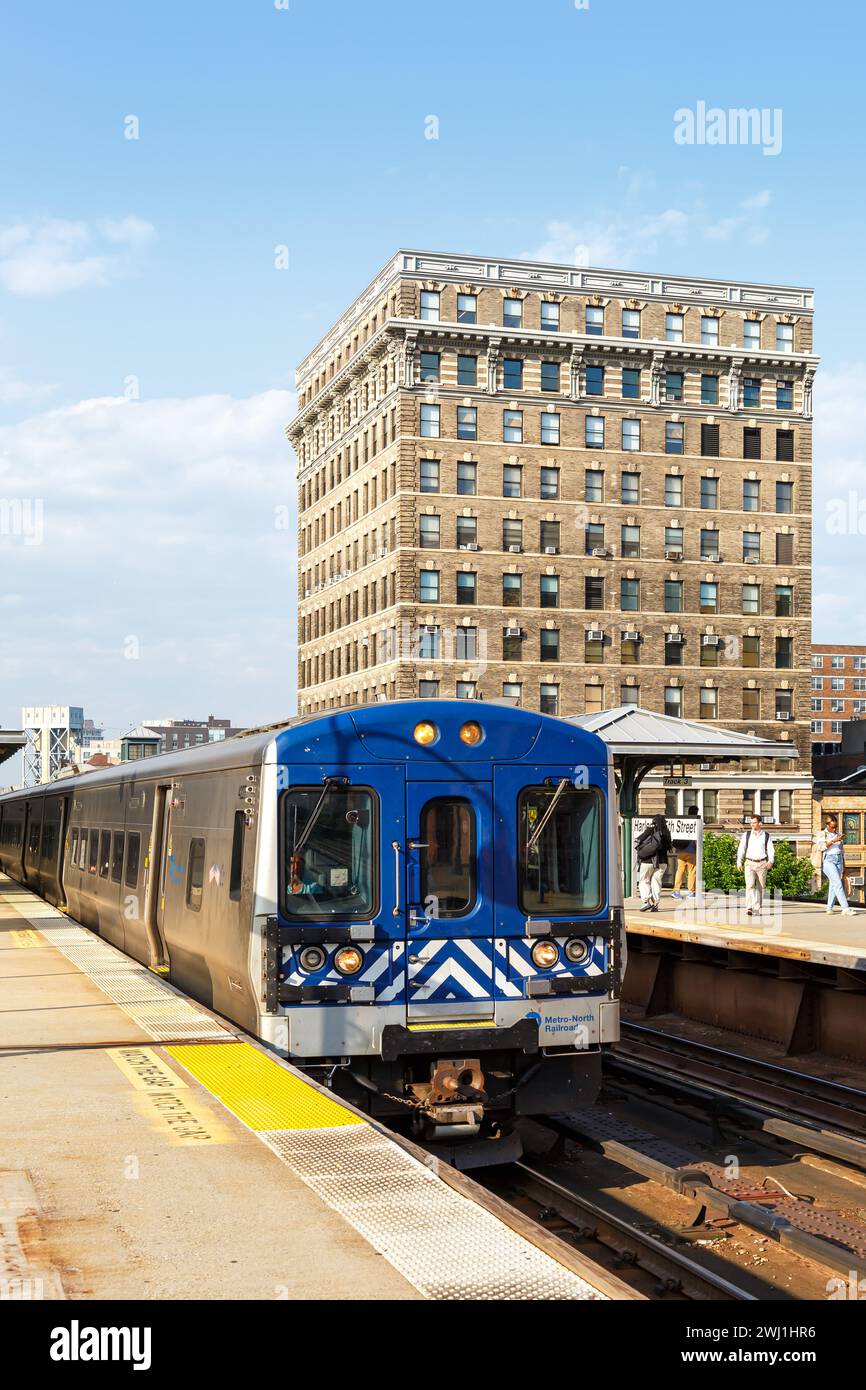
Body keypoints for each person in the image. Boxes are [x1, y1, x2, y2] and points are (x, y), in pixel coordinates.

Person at [815, 815, 855, 915]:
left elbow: (842, 851)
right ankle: (845, 908)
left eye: (835, 825)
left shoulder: (838, 834)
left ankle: (829, 908)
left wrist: (844, 866)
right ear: (827, 824)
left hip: (839, 860)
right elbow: (821, 848)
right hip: (828, 860)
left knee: (833, 884)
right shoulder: (822, 834)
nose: (834, 827)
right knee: (837, 883)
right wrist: (834, 840)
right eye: (832, 825)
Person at [736, 813, 775, 917]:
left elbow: (771, 849)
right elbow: (741, 848)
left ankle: (757, 908)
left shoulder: (766, 836)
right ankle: (749, 907)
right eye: (751, 823)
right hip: (749, 863)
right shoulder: (746, 835)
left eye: (754, 823)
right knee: (749, 885)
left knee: (760, 887)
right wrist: (739, 861)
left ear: (760, 823)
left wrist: (771, 861)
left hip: (762, 863)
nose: (752, 825)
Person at [635, 814, 673, 913]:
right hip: (663, 862)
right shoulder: (666, 832)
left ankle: (646, 901)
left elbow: (638, 839)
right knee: (656, 882)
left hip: (648, 860)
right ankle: (655, 904)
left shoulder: (651, 830)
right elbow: (669, 846)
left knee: (644, 880)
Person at [672, 804, 700, 899]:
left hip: (680, 850)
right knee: (692, 871)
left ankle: (676, 891)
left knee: (680, 871)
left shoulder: (684, 820)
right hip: (691, 850)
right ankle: (691, 892)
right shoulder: (696, 821)